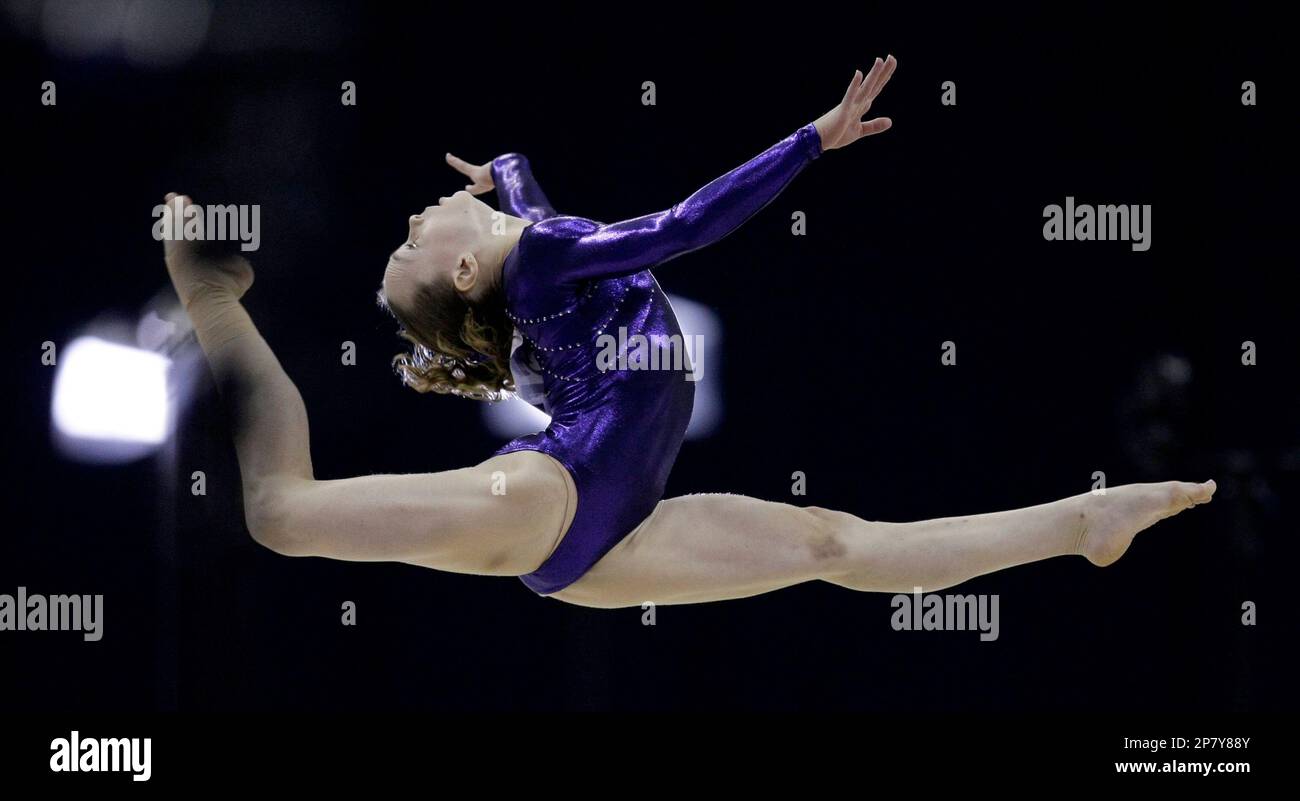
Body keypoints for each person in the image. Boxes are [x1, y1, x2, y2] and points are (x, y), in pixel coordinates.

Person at [161, 55, 1215, 609]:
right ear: (470, 269)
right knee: (283, 515)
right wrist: (811, 140)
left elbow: (524, 180)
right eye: (411, 243)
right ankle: (213, 309)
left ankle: (1084, 523)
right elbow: (685, 225)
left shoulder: (523, 243)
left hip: (612, 537)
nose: (413, 218)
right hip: (556, 498)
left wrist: (501, 176)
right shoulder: (535, 263)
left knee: (834, 546)